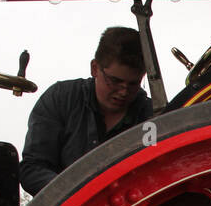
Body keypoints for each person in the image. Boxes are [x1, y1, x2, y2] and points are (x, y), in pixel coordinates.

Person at [19, 27, 153, 196]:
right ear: (94, 68)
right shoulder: (60, 99)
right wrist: (75, 194)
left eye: (133, 84)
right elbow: (33, 169)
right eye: (115, 81)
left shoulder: (152, 117)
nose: (123, 92)